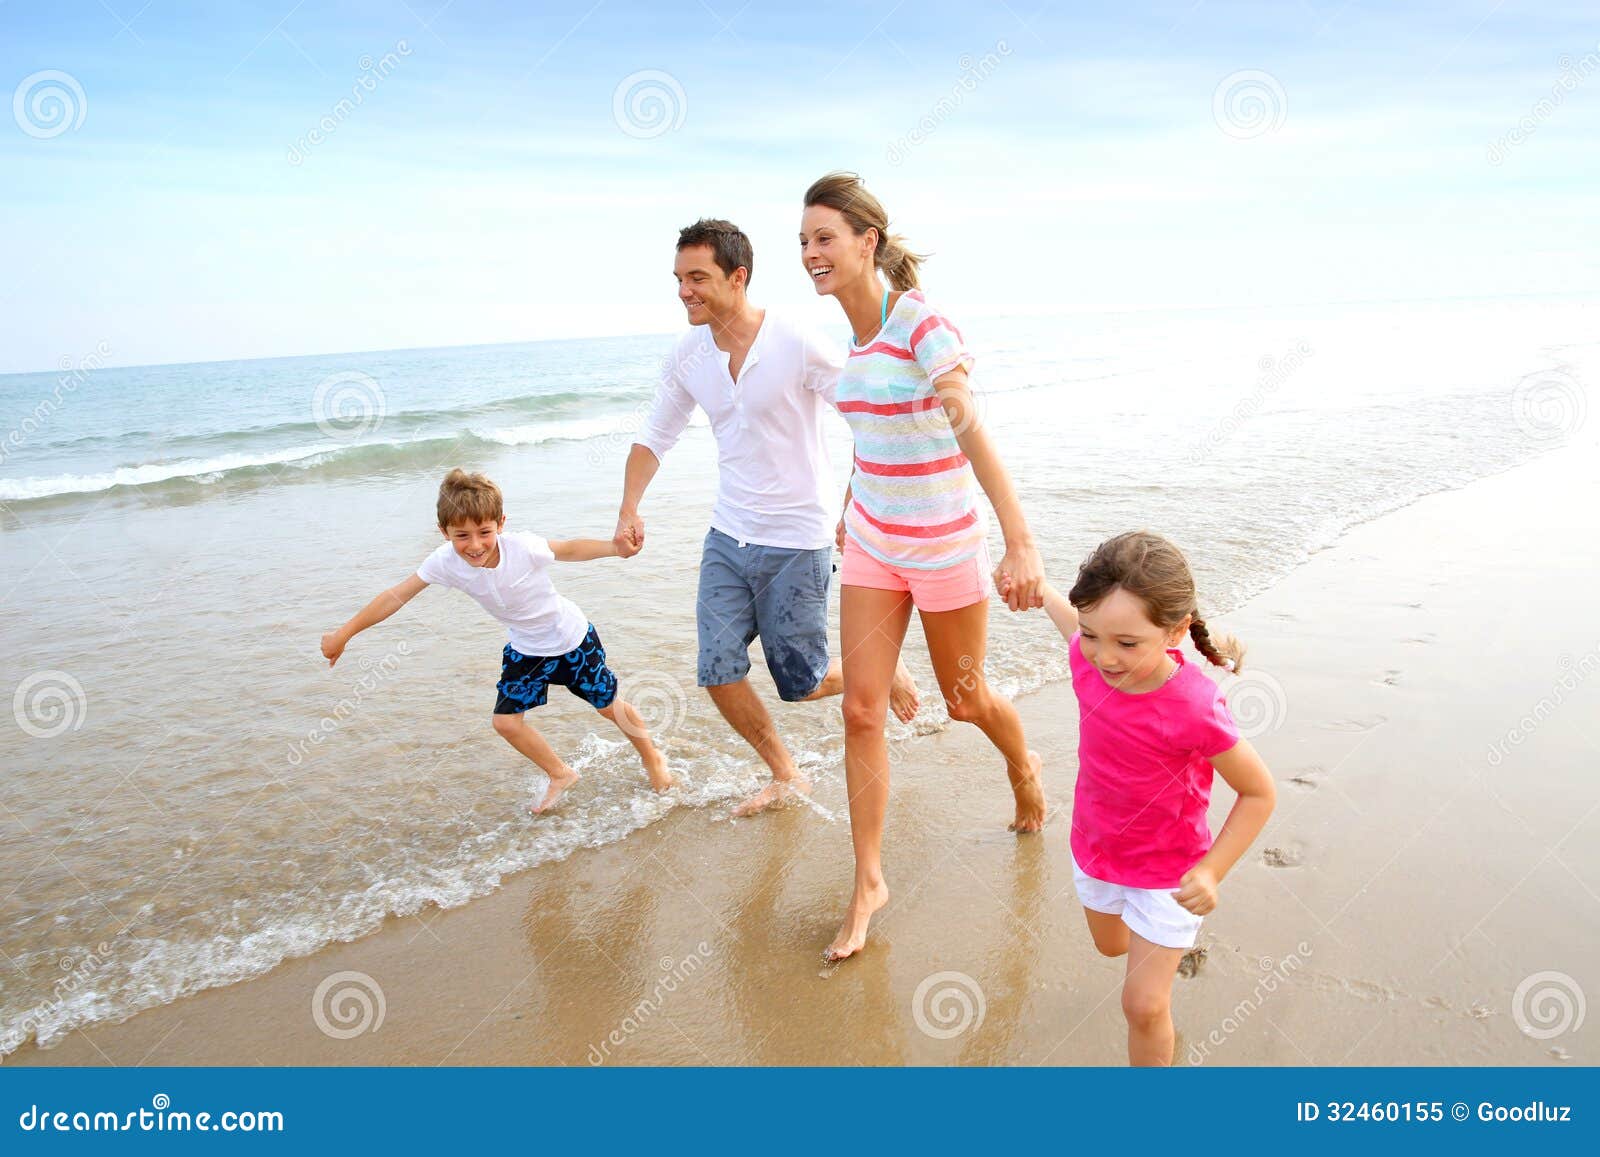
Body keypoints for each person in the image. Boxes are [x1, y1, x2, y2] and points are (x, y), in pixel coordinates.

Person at [799, 172, 1047, 962]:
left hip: (942, 544)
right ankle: (868, 878)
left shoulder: (921, 324)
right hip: (873, 540)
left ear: (868, 242)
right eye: (803, 242)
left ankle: (1023, 759)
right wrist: (847, 506)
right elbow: (873, 435)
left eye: (825, 238)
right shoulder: (856, 338)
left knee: (965, 700)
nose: (811, 253)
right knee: (862, 710)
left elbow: (971, 430)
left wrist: (1019, 538)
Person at [616, 218, 920, 818]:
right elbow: (655, 435)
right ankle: (786, 773)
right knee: (718, 671)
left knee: (800, 683)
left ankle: (884, 671)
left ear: (738, 277)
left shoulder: (794, 340)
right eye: (678, 279)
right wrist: (629, 506)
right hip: (728, 535)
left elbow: (865, 414)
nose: (685, 291)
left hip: (796, 539)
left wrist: (856, 497)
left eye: (697, 278)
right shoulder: (688, 354)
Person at [1026, 530, 1277, 1065]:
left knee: (1142, 1005)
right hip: (1095, 849)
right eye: (1094, 635)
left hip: (1171, 872)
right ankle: (1165, 951)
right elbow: (1071, 624)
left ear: (1175, 632)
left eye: (1127, 643)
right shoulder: (1087, 659)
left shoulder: (1193, 707)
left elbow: (1258, 793)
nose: (1104, 657)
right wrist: (1041, 588)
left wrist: (1212, 872)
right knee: (1110, 946)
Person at [320, 468, 675, 814]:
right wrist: (345, 633)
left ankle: (651, 757)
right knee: (505, 723)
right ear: (443, 531)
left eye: (484, 532)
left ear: (501, 524)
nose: (474, 545)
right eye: (462, 536)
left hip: (571, 640)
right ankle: (560, 773)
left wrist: (614, 549)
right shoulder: (443, 562)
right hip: (526, 650)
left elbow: (568, 549)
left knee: (608, 706)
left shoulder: (523, 547)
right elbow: (396, 596)